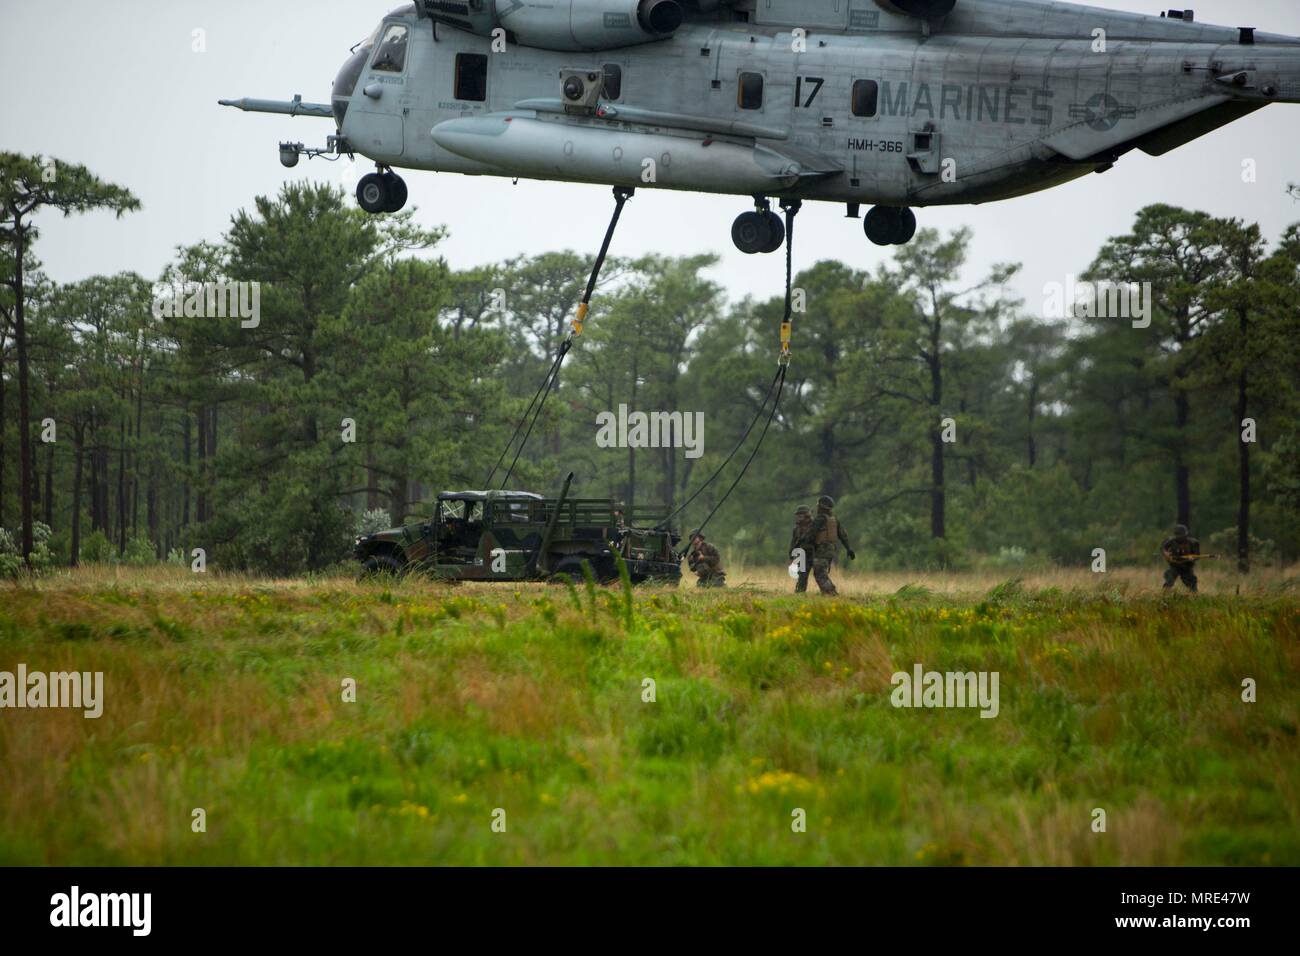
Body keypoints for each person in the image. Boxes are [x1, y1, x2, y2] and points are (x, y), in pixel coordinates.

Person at [807, 495, 855, 596]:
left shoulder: (820, 519)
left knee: (819, 573)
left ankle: (831, 594)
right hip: (831, 550)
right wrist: (849, 549)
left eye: (818, 506)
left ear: (821, 507)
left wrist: (805, 545)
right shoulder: (833, 520)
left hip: (822, 550)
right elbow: (843, 535)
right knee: (822, 572)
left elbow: (811, 534)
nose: (817, 508)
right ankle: (826, 593)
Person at [1161, 524, 1201, 593]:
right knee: (1169, 580)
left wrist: (1193, 558)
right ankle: (1164, 594)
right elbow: (1163, 548)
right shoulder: (1171, 541)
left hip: (1187, 566)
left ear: (1186, 534)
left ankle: (1195, 596)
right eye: (1178, 535)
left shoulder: (1193, 543)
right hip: (1175, 565)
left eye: (1181, 535)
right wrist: (1166, 553)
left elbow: (1197, 555)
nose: (1180, 537)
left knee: (1191, 583)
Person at [790, 505, 813, 593]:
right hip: (803, 554)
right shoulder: (796, 528)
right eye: (798, 515)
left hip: (815, 553)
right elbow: (793, 541)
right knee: (802, 574)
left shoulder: (814, 526)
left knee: (819, 574)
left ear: (807, 515)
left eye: (801, 515)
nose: (798, 517)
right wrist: (791, 553)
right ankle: (800, 591)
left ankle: (827, 592)